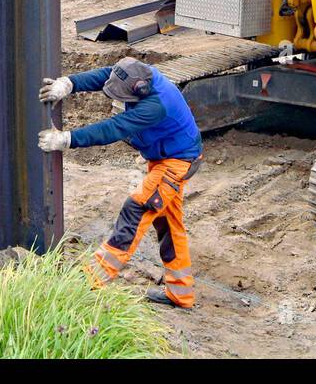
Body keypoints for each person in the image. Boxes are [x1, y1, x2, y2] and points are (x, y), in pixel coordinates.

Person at [38, 57, 202, 308]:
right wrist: (69, 83)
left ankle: (90, 281)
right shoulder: (139, 74)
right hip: (165, 158)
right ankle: (181, 294)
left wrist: (66, 139)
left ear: (140, 90)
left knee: (136, 210)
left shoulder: (156, 105)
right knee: (168, 224)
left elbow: (114, 128)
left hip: (175, 163)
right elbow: (108, 74)